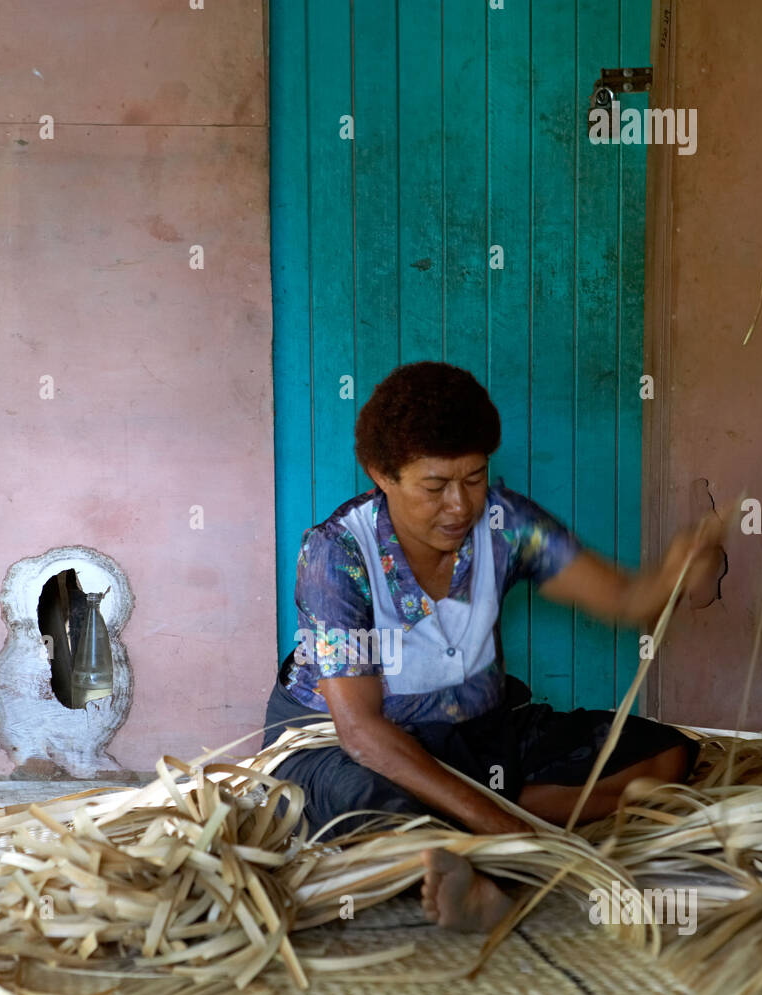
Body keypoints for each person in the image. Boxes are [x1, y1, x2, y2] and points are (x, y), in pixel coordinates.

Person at [263, 362, 725, 933]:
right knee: (364, 805)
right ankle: (468, 851)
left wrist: (681, 576)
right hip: (349, 744)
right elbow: (361, 732)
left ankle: (464, 834)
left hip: (476, 734)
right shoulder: (337, 554)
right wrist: (515, 837)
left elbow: (630, 600)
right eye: (434, 487)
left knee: (661, 754)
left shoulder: (507, 524)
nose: (460, 506)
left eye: (475, 478)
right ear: (381, 474)